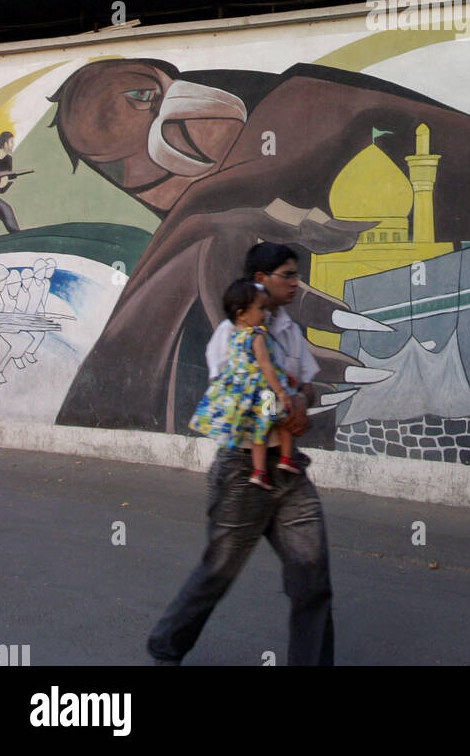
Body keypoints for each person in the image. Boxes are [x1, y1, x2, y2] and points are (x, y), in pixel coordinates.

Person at [147, 243, 335, 666]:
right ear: (260, 280)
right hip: (243, 471)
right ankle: (165, 647)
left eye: (296, 274)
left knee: (312, 576)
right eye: (287, 275)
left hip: (288, 470)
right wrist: (280, 403)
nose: (296, 283)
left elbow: (308, 385)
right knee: (219, 570)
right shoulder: (229, 335)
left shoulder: (289, 331)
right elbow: (236, 395)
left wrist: (300, 401)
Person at [191, 279, 299, 486]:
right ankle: (286, 459)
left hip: (244, 396)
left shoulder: (234, 337)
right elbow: (265, 365)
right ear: (241, 314)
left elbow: (248, 364)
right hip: (265, 395)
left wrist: (284, 373)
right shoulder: (257, 336)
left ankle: (258, 472)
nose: (265, 313)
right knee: (281, 419)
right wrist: (281, 392)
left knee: (258, 432)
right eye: (261, 308)